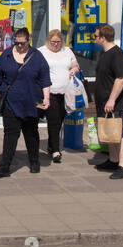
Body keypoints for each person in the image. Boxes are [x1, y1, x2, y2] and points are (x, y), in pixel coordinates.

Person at [0, 27, 51, 178]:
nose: (19, 46)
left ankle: (34, 162)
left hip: (31, 102)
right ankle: (4, 166)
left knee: (31, 133)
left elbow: (45, 79)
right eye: (17, 43)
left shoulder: (37, 56)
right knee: (10, 134)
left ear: (29, 41)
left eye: (22, 43)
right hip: (11, 102)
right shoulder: (7, 54)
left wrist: (46, 97)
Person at [94, 24, 123, 179]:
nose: (95, 38)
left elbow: (120, 79)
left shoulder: (117, 55)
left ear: (103, 38)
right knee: (110, 130)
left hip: (118, 102)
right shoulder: (105, 54)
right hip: (105, 102)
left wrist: (111, 99)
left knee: (120, 132)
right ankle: (113, 160)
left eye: (96, 36)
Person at [39, 28, 81, 164]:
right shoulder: (42, 52)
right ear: (48, 40)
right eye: (53, 42)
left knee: (59, 120)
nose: (56, 44)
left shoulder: (67, 50)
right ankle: (56, 151)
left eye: (58, 42)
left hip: (66, 92)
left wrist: (74, 69)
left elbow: (75, 64)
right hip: (49, 92)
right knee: (54, 120)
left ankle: (51, 146)